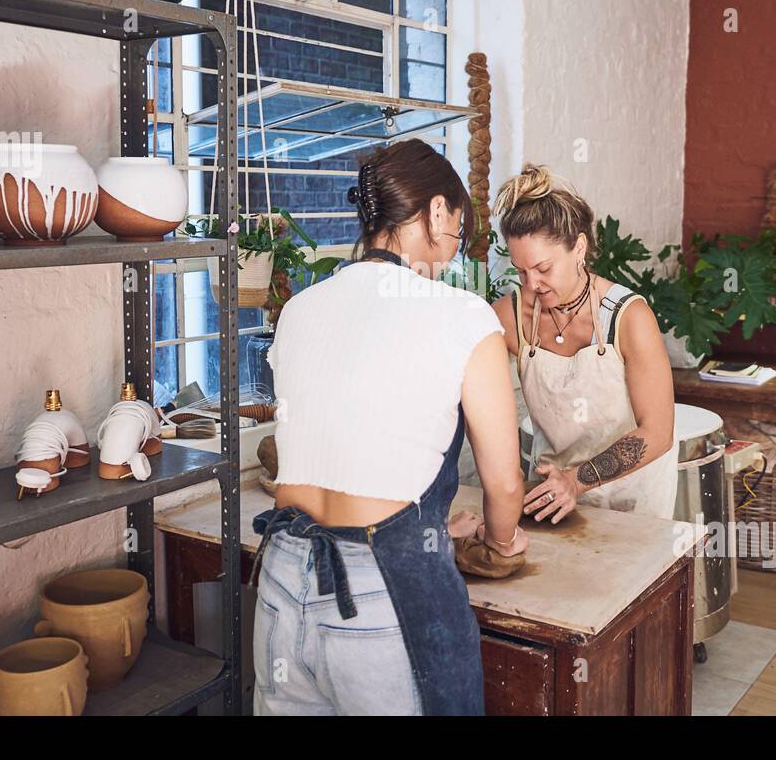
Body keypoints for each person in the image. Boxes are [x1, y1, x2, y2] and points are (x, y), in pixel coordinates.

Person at [253, 139, 527, 716]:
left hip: (281, 582)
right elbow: (504, 484)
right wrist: (499, 545)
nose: (454, 251)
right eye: (456, 229)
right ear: (432, 213)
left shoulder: (301, 309)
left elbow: (358, 442)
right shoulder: (463, 315)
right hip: (378, 602)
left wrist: (429, 527)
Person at [490, 164, 677, 523]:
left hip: (633, 499)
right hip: (550, 494)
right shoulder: (509, 317)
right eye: (520, 271)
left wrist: (576, 482)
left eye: (543, 269)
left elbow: (657, 432)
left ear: (578, 248)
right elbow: (486, 411)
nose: (531, 285)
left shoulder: (628, 317)